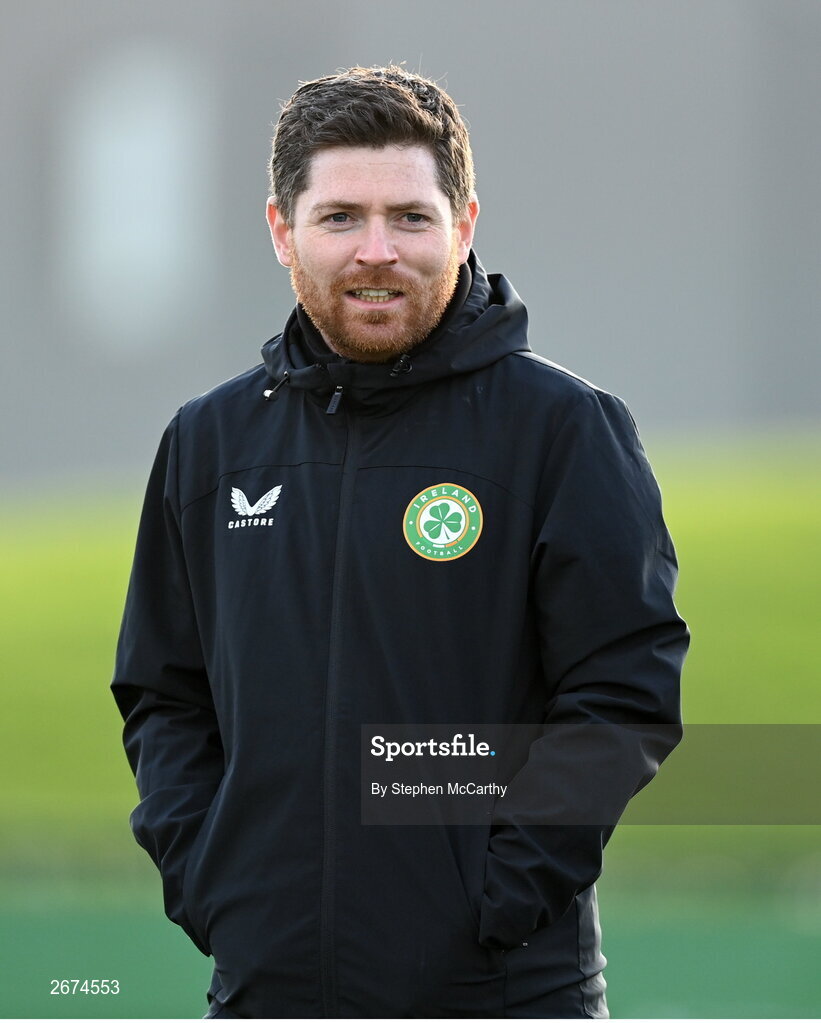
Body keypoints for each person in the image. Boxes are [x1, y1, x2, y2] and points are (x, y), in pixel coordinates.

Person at [112, 65, 688, 1019]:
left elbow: (623, 689)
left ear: (463, 225)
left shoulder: (561, 429)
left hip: (499, 992)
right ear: (280, 228)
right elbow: (165, 696)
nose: (377, 251)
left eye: (411, 218)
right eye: (340, 217)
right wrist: (214, 882)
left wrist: (500, 897)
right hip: (268, 988)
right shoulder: (210, 443)